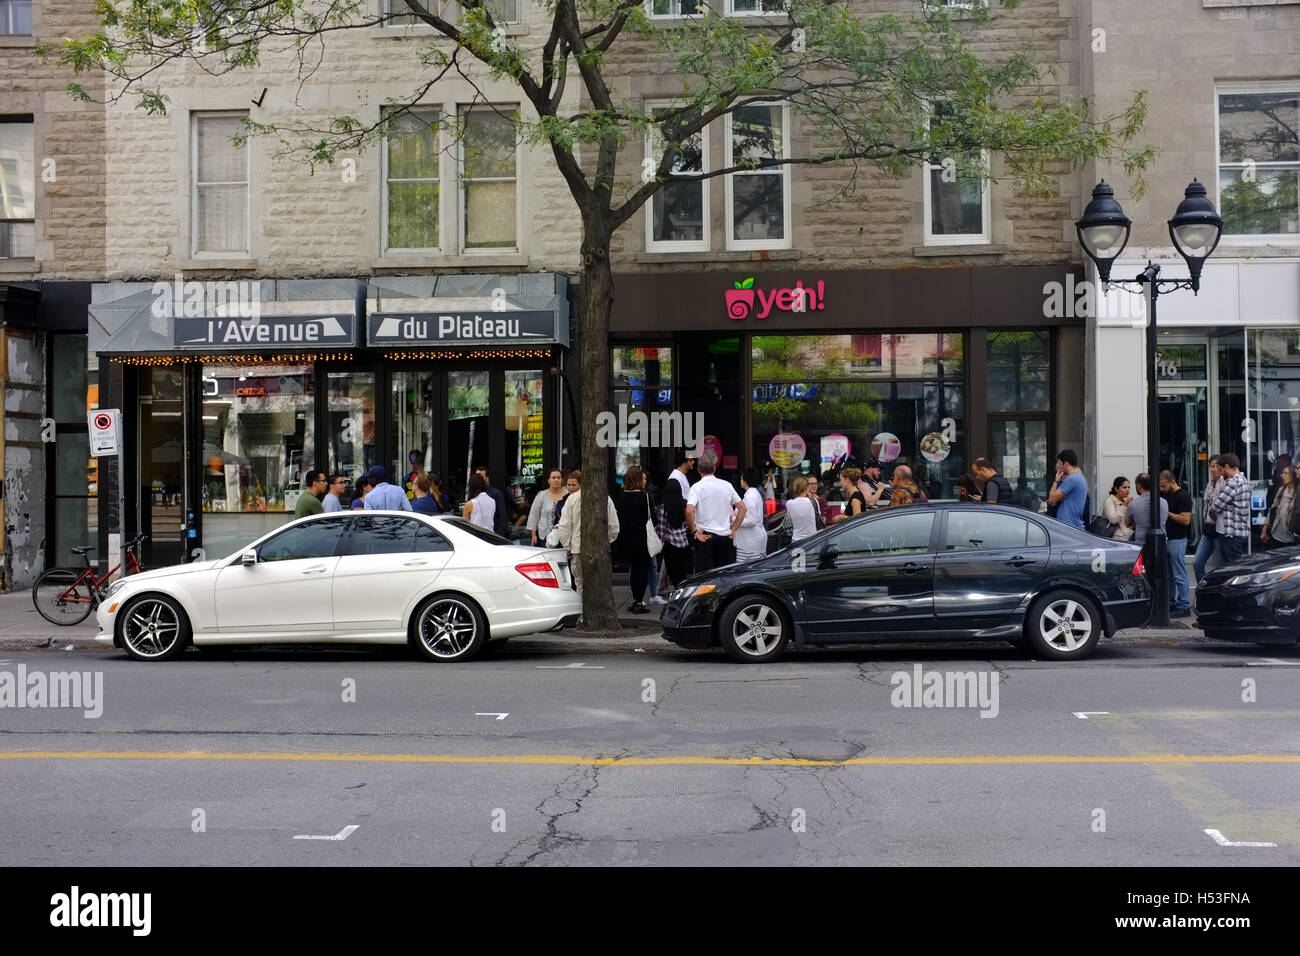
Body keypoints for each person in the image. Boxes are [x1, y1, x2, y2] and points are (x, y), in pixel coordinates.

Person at [554, 469, 619, 591]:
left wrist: (568, 547)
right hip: (599, 547)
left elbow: (564, 526)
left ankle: (582, 608)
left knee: (580, 583)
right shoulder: (605, 498)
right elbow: (614, 526)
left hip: (578, 548)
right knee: (599, 583)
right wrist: (606, 541)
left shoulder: (572, 499)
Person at [685, 452, 744, 573]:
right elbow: (743, 508)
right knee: (724, 578)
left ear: (698, 470)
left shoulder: (696, 487)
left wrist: (694, 532)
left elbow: (688, 511)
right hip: (725, 538)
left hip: (705, 538)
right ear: (715, 468)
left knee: (705, 581)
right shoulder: (727, 485)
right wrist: (734, 529)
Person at [615, 466, 653, 614]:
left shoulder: (621, 497)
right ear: (638, 480)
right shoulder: (644, 497)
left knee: (633, 569)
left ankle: (634, 600)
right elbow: (651, 519)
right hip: (642, 538)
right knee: (643, 570)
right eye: (643, 479)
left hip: (626, 538)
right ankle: (639, 601)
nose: (645, 481)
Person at [1159, 470, 1193, 618]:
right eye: (1160, 486)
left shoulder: (1183, 497)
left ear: (1173, 482)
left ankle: (1184, 604)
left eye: (1164, 486)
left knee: (1179, 573)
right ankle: (1172, 602)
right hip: (1167, 537)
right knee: (1169, 574)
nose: (1162, 489)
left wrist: (1168, 514)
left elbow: (1186, 520)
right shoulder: (1164, 495)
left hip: (1177, 539)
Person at [1208, 453, 1250, 566]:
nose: (1220, 472)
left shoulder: (1234, 482)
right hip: (1235, 532)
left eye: (1221, 469)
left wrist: (1212, 510)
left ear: (1227, 467)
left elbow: (1216, 505)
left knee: (1232, 569)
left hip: (1232, 533)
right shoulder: (1242, 480)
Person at [657, 479, 693, 589]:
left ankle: (678, 594)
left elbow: (662, 530)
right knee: (683, 574)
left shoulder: (664, 508)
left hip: (671, 546)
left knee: (674, 575)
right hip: (685, 544)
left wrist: (659, 546)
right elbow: (689, 523)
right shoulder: (685, 505)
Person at [1194, 455, 1223, 583]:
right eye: (1212, 466)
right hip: (1209, 529)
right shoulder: (1209, 484)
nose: (1214, 469)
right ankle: (1204, 588)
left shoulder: (1226, 483)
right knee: (1197, 563)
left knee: (1220, 567)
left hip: (1221, 530)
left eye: (1217, 466)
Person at [1047, 449, 1088, 530]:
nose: (1059, 466)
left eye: (1060, 463)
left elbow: (1051, 499)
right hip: (1072, 526)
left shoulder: (1072, 479)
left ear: (1066, 464)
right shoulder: (1079, 478)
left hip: (1070, 527)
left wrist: (1056, 481)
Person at [1262, 465, 1300, 550]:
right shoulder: (1282, 489)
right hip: (1276, 535)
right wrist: (1264, 529)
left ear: (1293, 475)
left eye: (1286, 473)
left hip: (1292, 539)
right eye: (1282, 473)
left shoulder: (1297, 492)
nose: (1282, 475)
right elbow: (1272, 509)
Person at [734, 468, 768, 562]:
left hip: (750, 542)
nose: (740, 481)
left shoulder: (750, 497)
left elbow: (752, 521)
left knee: (746, 570)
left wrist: (734, 520)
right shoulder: (755, 493)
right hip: (752, 539)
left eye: (741, 479)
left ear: (746, 481)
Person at [528, 468, 567, 547]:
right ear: (548, 480)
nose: (556, 480)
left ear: (562, 480)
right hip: (544, 537)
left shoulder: (568, 494)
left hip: (564, 537)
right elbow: (533, 516)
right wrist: (533, 535)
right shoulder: (541, 495)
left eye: (558, 478)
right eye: (553, 478)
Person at [1127, 472, 1168, 547]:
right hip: (1161, 543)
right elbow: (1164, 521)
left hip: (1141, 544)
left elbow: (1126, 523)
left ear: (1139, 486)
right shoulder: (1164, 502)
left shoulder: (1133, 504)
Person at [473, 465, 510, 537]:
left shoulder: (496, 494)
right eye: (476, 476)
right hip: (476, 535)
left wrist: (498, 536)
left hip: (491, 534)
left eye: (480, 476)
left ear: (487, 478)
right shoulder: (472, 494)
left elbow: (502, 516)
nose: (477, 478)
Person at [785, 476, 819, 543]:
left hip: (796, 540)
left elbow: (789, 520)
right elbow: (817, 517)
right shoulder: (814, 501)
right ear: (807, 487)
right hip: (812, 539)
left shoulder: (789, 503)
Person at [1102, 476, 1134, 541]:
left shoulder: (1125, 501)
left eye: (1129, 487)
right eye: (1124, 487)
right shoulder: (1110, 500)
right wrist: (1125, 505)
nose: (1127, 490)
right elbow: (1113, 519)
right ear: (1116, 489)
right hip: (1116, 538)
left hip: (1127, 537)